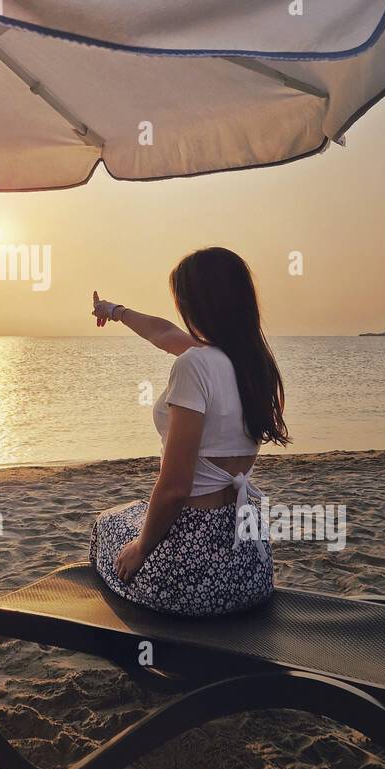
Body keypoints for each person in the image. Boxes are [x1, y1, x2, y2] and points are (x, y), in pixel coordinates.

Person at [89, 247, 289, 617]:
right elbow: (163, 333)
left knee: (107, 526)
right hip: (249, 566)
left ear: (196, 304)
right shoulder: (252, 363)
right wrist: (115, 311)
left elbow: (174, 489)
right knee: (135, 512)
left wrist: (141, 549)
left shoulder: (195, 365)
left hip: (196, 571)